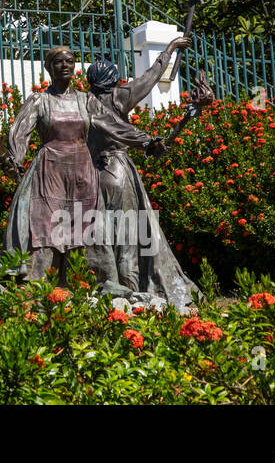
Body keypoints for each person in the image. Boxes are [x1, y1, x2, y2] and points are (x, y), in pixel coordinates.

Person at [3, 45, 165, 288]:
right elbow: (19, 133)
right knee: (47, 225)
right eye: (59, 61)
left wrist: (146, 142)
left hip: (82, 171)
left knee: (87, 226)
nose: (65, 65)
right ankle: (40, 286)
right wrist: (15, 159)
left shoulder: (86, 100)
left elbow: (114, 126)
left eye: (70, 60)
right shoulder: (39, 101)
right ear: (49, 67)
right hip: (50, 170)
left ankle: (95, 283)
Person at [85, 40, 201, 311]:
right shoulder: (119, 97)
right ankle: (132, 296)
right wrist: (169, 49)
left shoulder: (83, 102)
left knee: (99, 238)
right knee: (127, 238)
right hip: (117, 171)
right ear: (113, 81)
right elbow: (149, 78)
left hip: (90, 176)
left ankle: (102, 289)